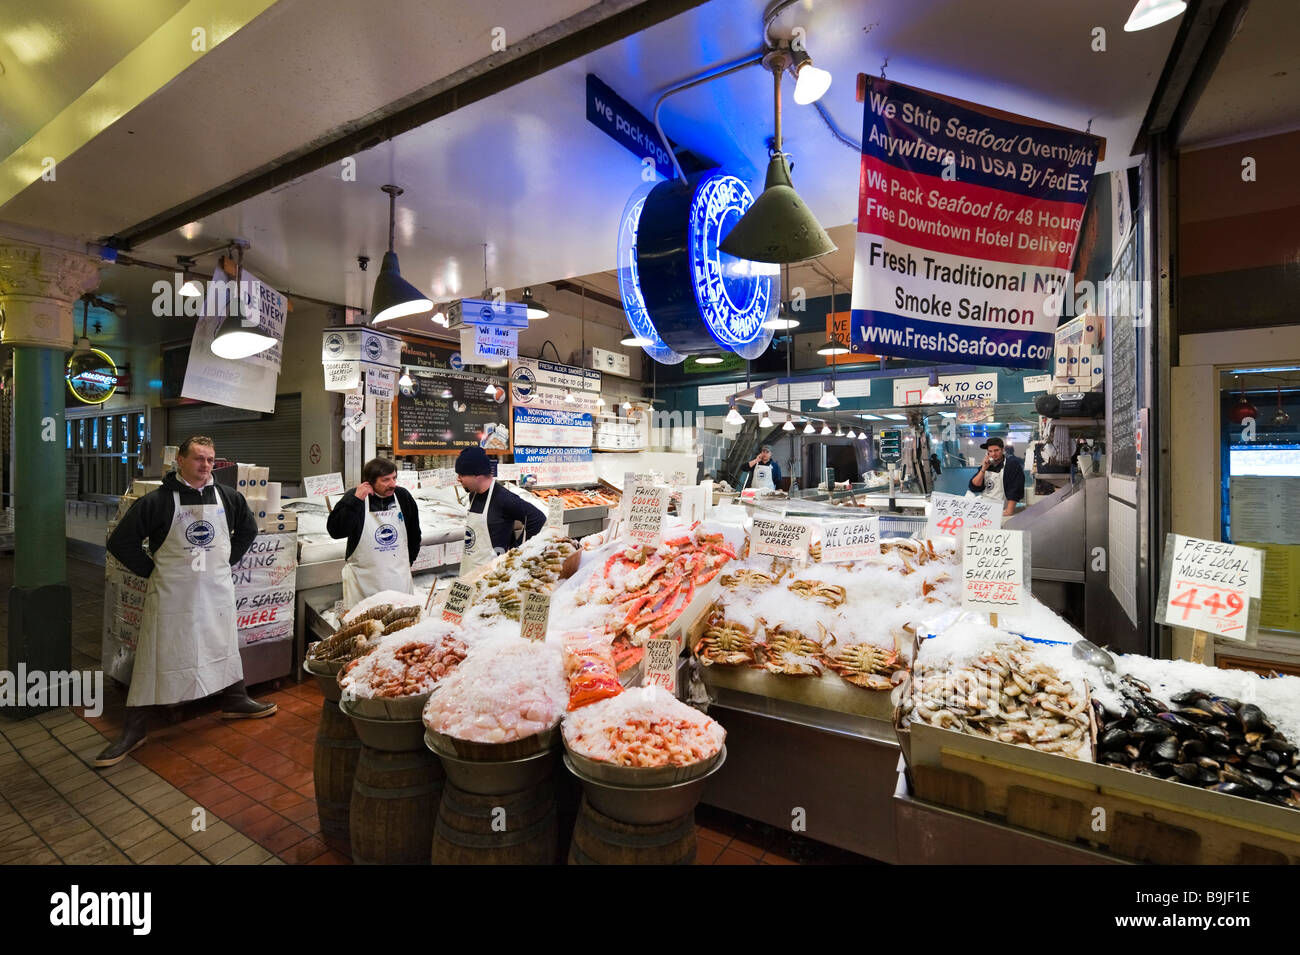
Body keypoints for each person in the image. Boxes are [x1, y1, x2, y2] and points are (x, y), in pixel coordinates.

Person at [96, 435, 272, 768]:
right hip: (172, 597)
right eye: (198, 459)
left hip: (216, 593)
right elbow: (120, 542)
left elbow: (248, 530)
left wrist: (226, 561)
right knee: (155, 654)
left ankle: (235, 700)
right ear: (180, 460)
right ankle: (134, 729)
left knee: (223, 645)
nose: (205, 466)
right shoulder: (157, 502)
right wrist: (153, 571)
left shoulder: (229, 497)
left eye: (210, 460)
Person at [326, 457, 422, 607]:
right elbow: (336, 531)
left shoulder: (403, 496)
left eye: (394, 478)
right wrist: (355, 500)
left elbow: (414, 533)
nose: (392, 484)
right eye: (385, 480)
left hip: (398, 580)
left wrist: (407, 562)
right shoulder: (355, 497)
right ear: (370, 481)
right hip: (363, 583)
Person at [454, 446, 545, 575]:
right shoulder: (473, 495)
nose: (458, 478)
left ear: (477, 475)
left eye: (462, 474)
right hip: (469, 570)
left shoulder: (503, 498)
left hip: (491, 576)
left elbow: (537, 518)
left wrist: (515, 551)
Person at [967, 436, 1025, 517]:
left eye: (996, 450)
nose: (993, 454)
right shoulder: (986, 466)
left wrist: (1009, 511)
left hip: (1001, 509)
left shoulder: (1012, 465)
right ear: (987, 453)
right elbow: (974, 487)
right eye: (990, 451)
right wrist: (983, 469)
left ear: (1002, 450)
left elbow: (1015, 488)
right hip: (984, 508)